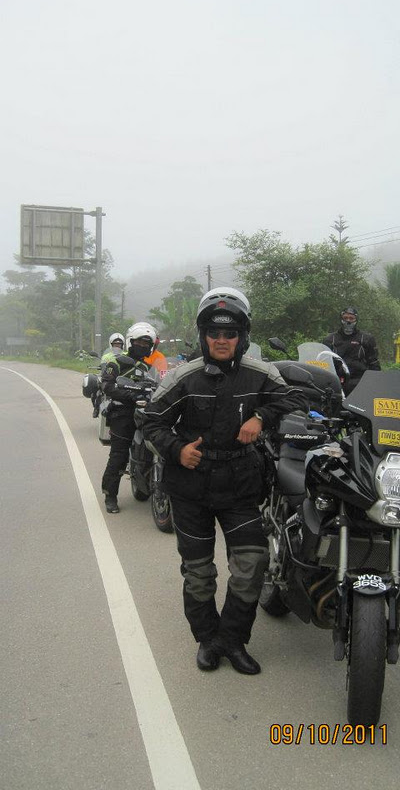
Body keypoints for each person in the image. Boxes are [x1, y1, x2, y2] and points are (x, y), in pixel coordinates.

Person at [141, 287, 305, 675]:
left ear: (242, 337)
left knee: (252, 564)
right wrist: (177, 449)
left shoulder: (261, 373)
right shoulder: (183, 377)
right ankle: (207, 640)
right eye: (213, 332)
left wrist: (262, 417)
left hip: (240, 487)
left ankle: (232, 640)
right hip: (190, 488)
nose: (221, 339)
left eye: (230, 333)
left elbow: (296, 399)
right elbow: (150, 421)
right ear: (203, 336)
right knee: (199, 573)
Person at [101, 322, 157, 513]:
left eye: (146, 343)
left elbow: (159, 385)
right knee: (119, 455)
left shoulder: (148, 368)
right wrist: (130, 395)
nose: (143, 346)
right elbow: (107, 386)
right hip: (122, 412)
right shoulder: (116, 362)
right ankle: (110, 495)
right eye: (139, 342)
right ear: (130, 342)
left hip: (145, 411)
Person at [323, 306, 381, 394]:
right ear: (341, 319)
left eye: (351, 318)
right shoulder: (330, 339)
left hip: (359, 383)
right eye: (345, 318)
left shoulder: (366, 339)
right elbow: (323, 362)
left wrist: (375, 383)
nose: (348, 321)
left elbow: (374, 364)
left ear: (356, 320)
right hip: (336, 381)